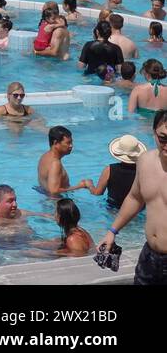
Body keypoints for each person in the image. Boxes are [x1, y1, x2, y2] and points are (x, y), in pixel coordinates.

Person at [98, 109, 167, 284]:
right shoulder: (144, 161)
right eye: (163, 138)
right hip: (149, 256)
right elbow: (135, 198)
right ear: (154, 134)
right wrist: (112, 231)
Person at [91, 134, 146, 210]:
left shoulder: (109, 169)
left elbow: (98, 193)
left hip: (113, 208)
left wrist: (89, 185)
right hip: (137, 210)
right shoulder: (144, 171)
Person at [38, 125, 93, 196]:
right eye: (68, 143)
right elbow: (54, 191)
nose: (71, 146)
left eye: (71, 142)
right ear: (55, 143)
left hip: (47, 202)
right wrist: (81, 186)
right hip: (56, 203)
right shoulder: (55, 164)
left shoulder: (44, 157)